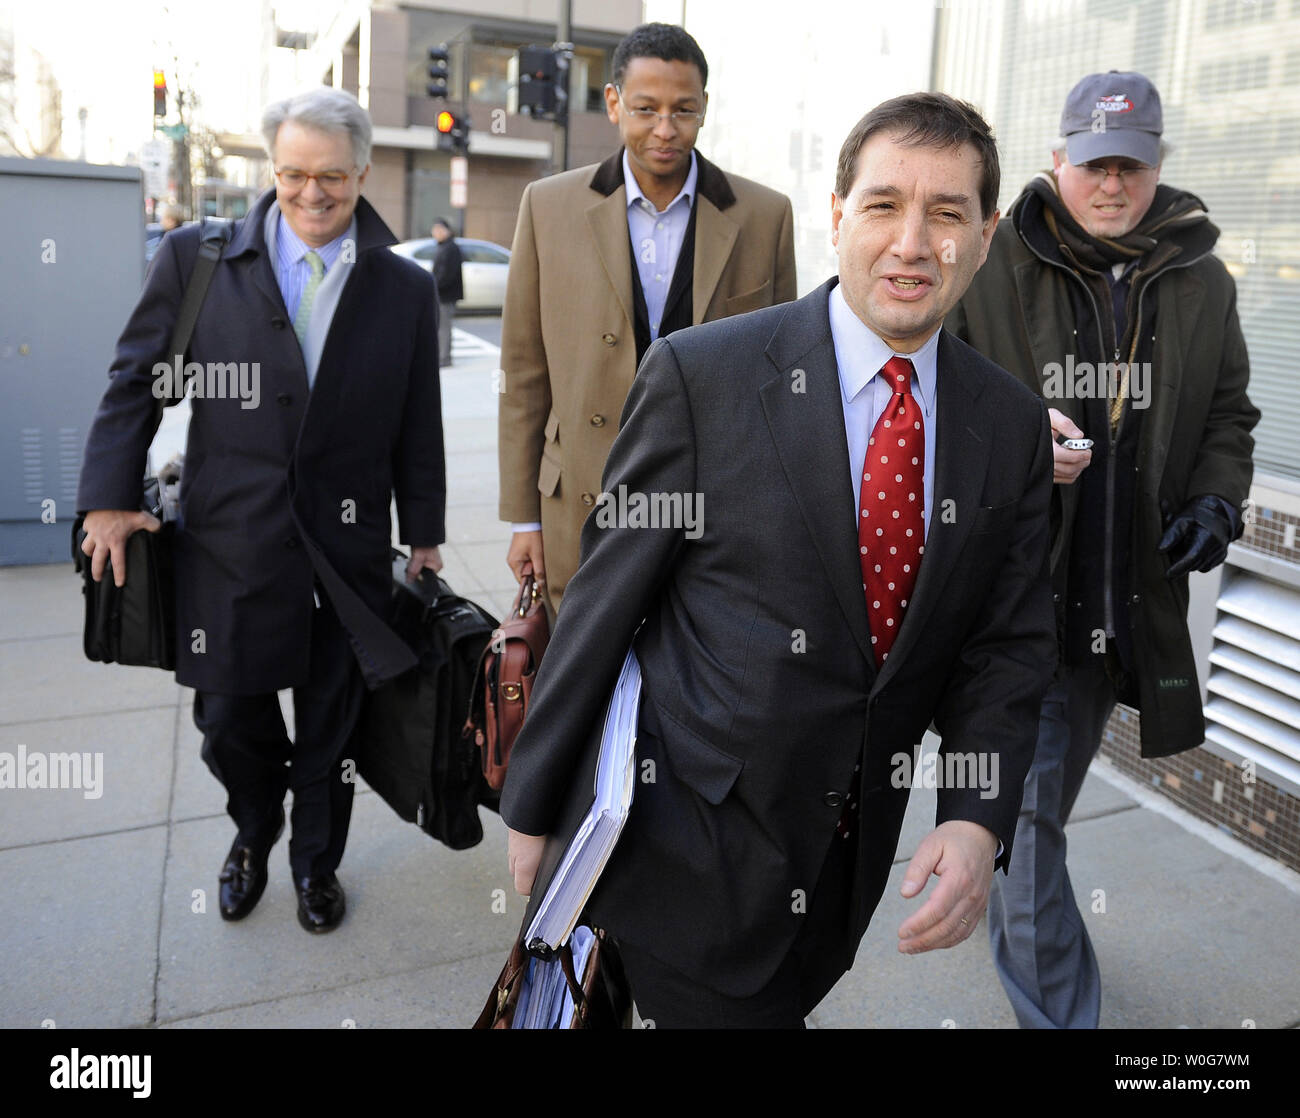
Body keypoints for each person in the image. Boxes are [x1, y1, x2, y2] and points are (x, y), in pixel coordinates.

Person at [501, 92, 1058, 1028]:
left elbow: (1006, 645)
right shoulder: (702, 376)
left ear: (987, 232)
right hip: (693, 846)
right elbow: (604, 603)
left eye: (947, 213)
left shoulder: (1007, 423)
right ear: (837, 213)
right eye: (883, 205)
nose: (912, 242)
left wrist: (973, 815)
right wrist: (535, 804)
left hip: (846, 863)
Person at [77, 87, 446, 934]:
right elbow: (138, 379)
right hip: (228, 543)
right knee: (228, 724)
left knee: (331, 723)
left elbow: (416, 420)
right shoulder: (195, 259)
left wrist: (423, 533)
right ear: (271, 170)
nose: (311, 195)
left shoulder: (401, 288)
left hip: (344, 553)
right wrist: (104, 499)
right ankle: (255, 829)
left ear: (363, 171)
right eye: (291, 175)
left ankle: (317, 866)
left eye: (331, 178)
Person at [947, 70, 1258, 1028]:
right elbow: (926, 391)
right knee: (1031, 823)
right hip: (1011, 600)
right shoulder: (992, 257)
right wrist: (1007, 448)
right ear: (1057, 160)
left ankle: (1004, 903)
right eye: (1094, 164)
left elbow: (1226, 414)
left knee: (1036, 813)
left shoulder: (1203, 278)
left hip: (1116, 605)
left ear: (1158, 163)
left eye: (1130, 164)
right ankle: (1060, 1014)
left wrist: (1215, 498)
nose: (1112, 183)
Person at [498, 22, 797, 611]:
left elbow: (783, 378)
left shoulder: (766, 215)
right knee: (585, 670)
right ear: (613, 104)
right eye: (645, 109)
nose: (665, 130)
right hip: (581, 491)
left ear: (705, 108)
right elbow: (523, 372)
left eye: (683, 110)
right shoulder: (547, 206)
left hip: (713, 501)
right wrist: (521, 519)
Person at [430, 217, 463, 366]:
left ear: (446, 231)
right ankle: (442, 356)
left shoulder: (451, 248)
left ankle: (444, 358)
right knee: (441, 327)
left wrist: (434, 286)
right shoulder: (443, 246)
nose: (435, 233)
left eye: (438, 230)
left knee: (444, 327)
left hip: (446, 295)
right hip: (442, 294)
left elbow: (447, 274)